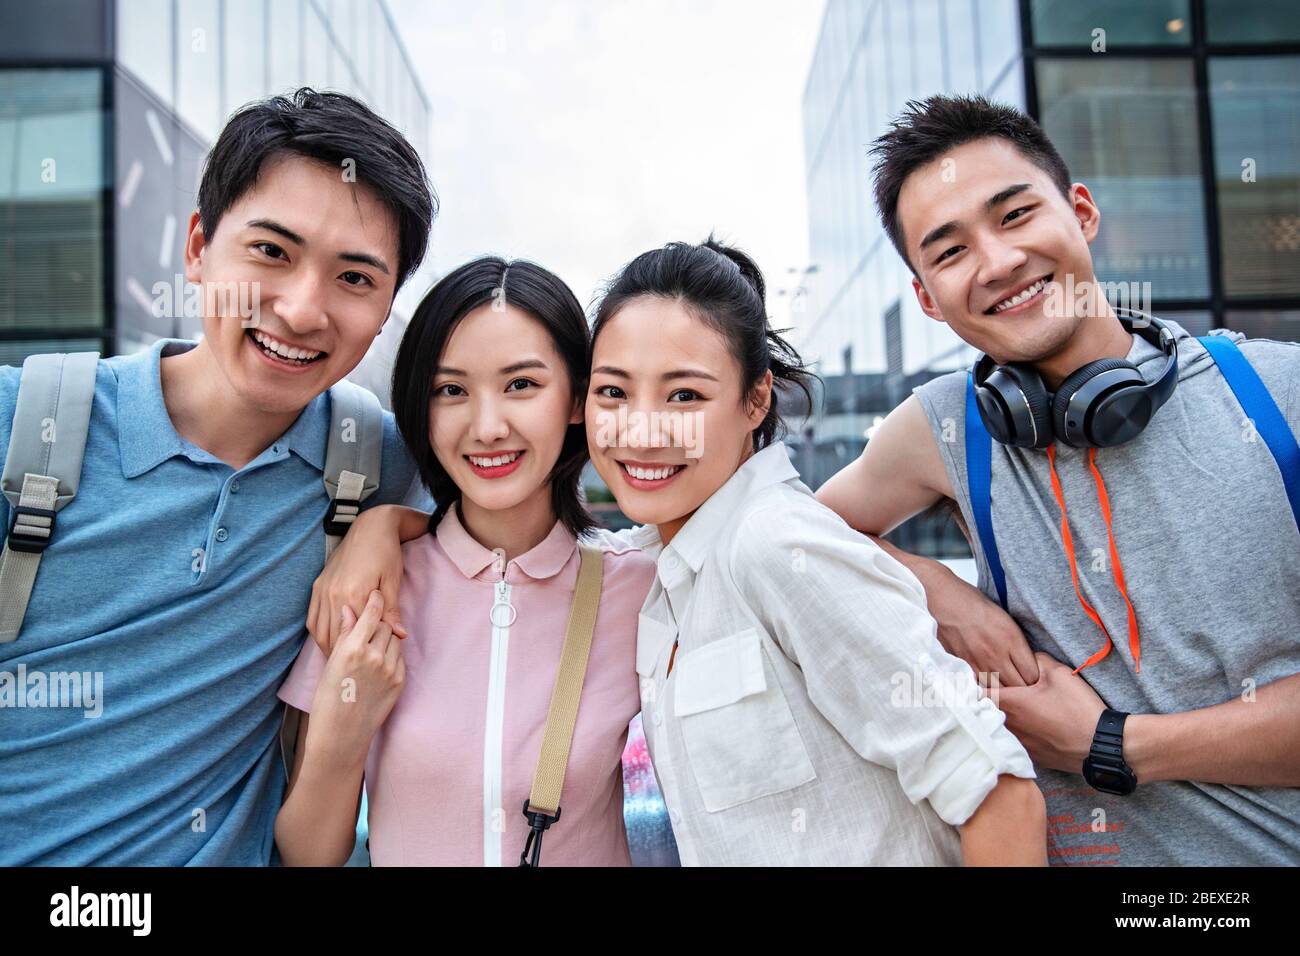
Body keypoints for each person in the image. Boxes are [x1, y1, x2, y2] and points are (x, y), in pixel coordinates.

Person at [816, 94, 1300, 865]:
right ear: (927, 299)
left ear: (1081, 211)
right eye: (950, 252)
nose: (999, 262)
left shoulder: (1279, 392)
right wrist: (941, 592)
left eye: (1015, 215)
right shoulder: (945, 429)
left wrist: (1110, 744)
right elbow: (795, 537)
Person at [0, 89, 435, 865]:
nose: (302, 311)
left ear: (387, 308)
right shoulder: (24, 424)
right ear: (198, 248)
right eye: (271, 252)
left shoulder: (379, 463)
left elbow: (527, 525)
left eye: (355, 279)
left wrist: (384, 522)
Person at [581, 237, 1045, 865]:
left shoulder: (774, 543)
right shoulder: (662, 570)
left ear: (756, 400)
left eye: (684, 396)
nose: (640, 431)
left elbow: (998, 794)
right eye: (613, 393)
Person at [274, 258, 655, 866]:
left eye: (521, 385)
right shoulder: (370, 590)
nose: (487, 426)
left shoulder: (640, 586)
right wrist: (344, 732)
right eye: (451, 390)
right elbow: (309, 854)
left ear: (577, 400)